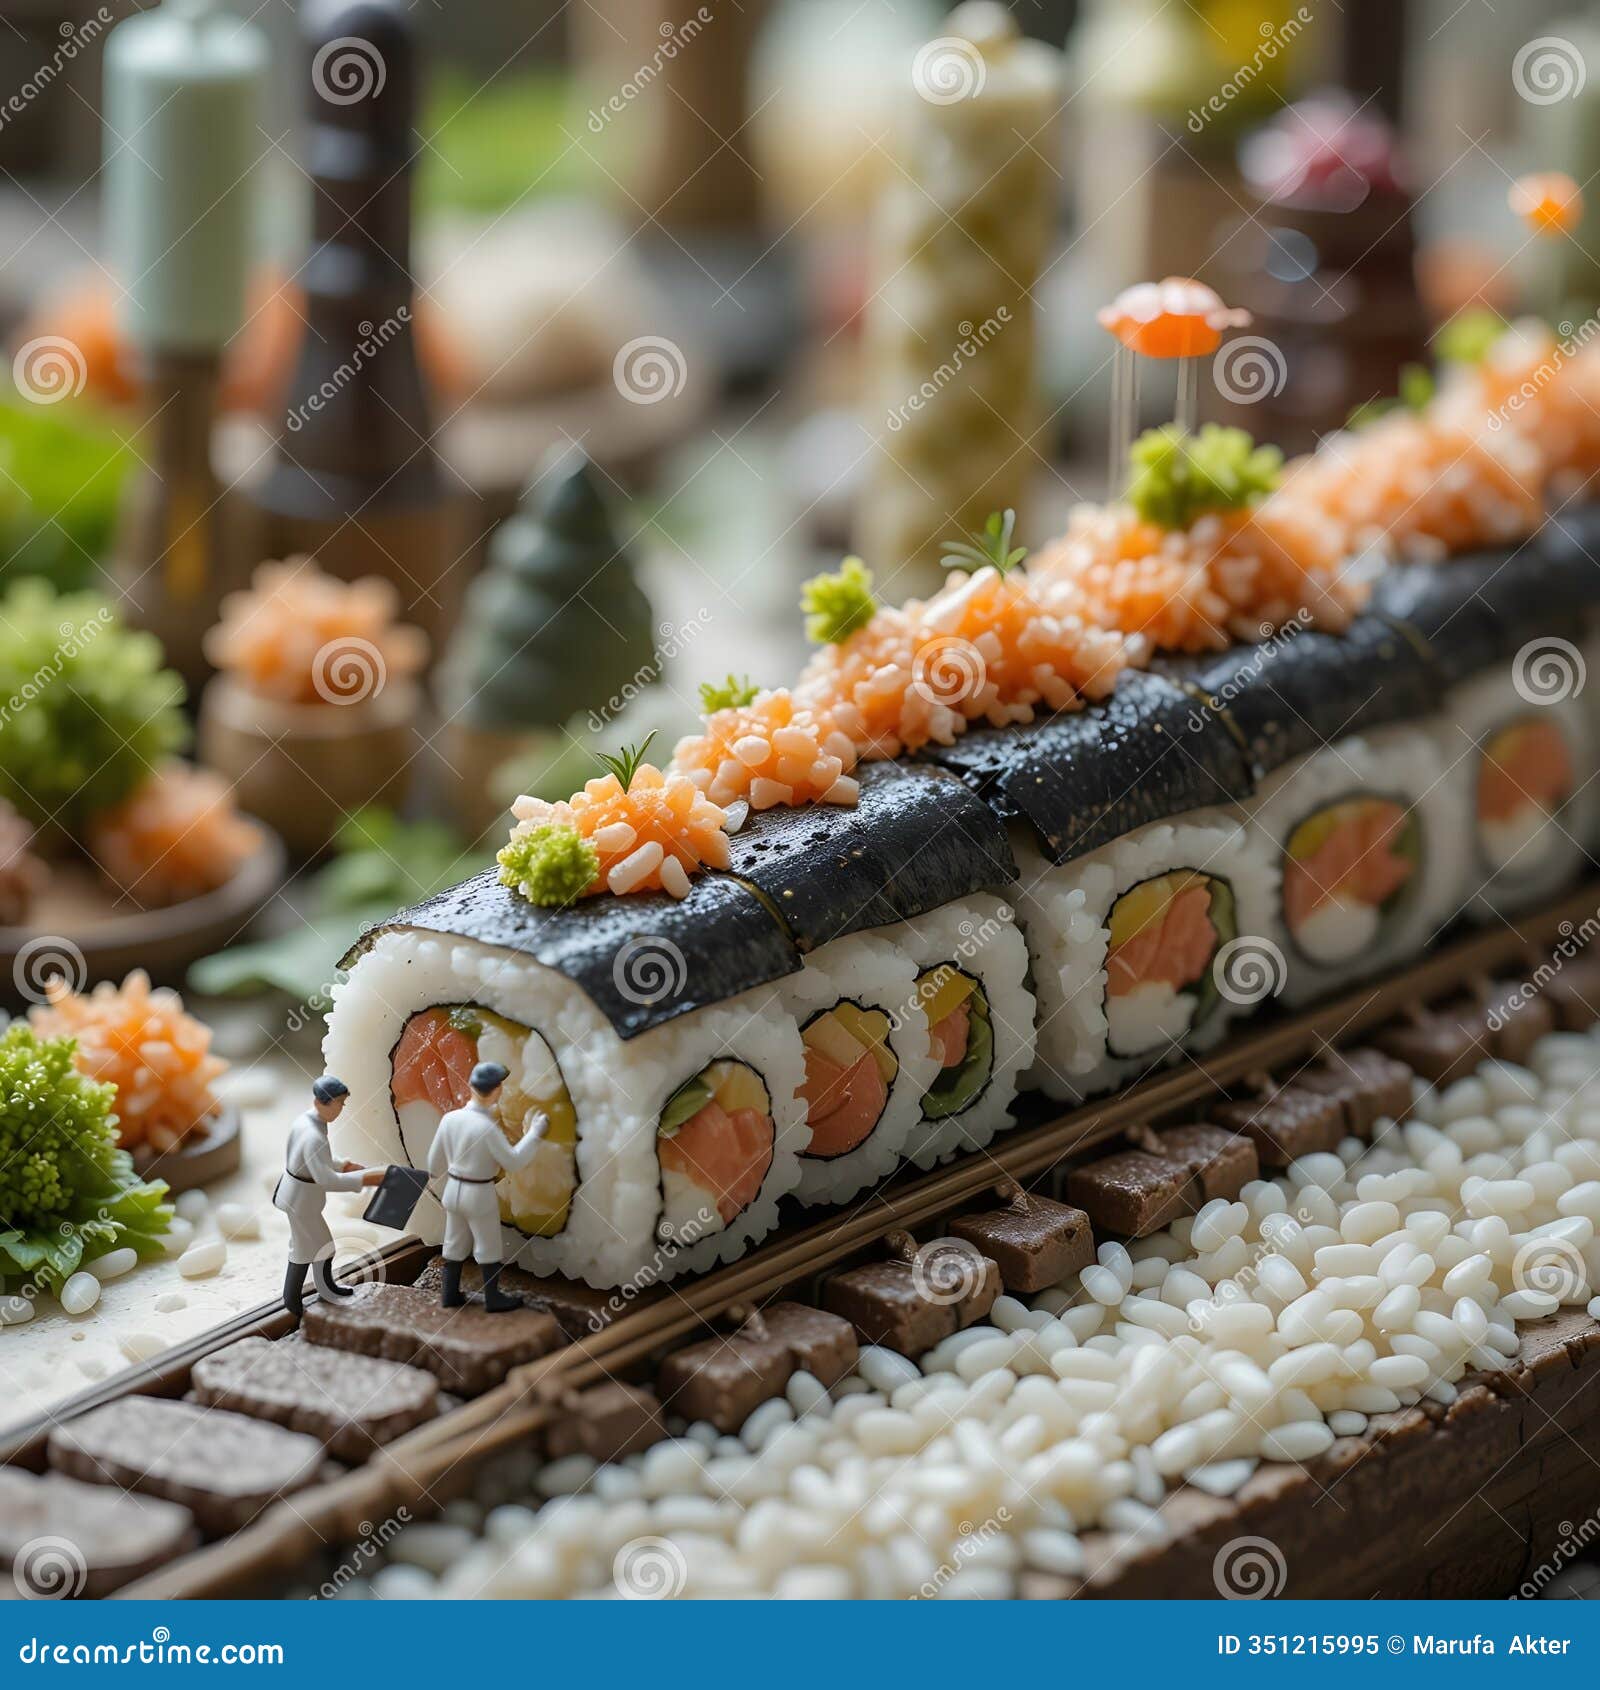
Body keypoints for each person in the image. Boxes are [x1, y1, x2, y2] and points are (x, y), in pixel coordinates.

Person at [428, 1060, 547, 1313]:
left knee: (454, 1242)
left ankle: (449, 1294)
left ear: (471, 1087)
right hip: (478, 1193)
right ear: (496, 1091)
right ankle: (493, 1299)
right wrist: (535, 1134)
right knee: (488, 1245)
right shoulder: (487, 1128)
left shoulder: (450, 1119)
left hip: (453, 1189)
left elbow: (433, 1165)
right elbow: (513, 1162)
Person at [274, 1075, 384, 1320]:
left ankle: (324, 1290)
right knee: (305, 1249)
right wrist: (366, 1179)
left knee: (318, 1247)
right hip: (301, 1201)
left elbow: (312, 1160)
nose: (341, 1109)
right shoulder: (314, 1135)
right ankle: (292, 1301)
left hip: (297, 1195)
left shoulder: (305, 1120)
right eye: (339, 1103)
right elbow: (326, 1180)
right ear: (321, 1102)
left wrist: (344, 1165)